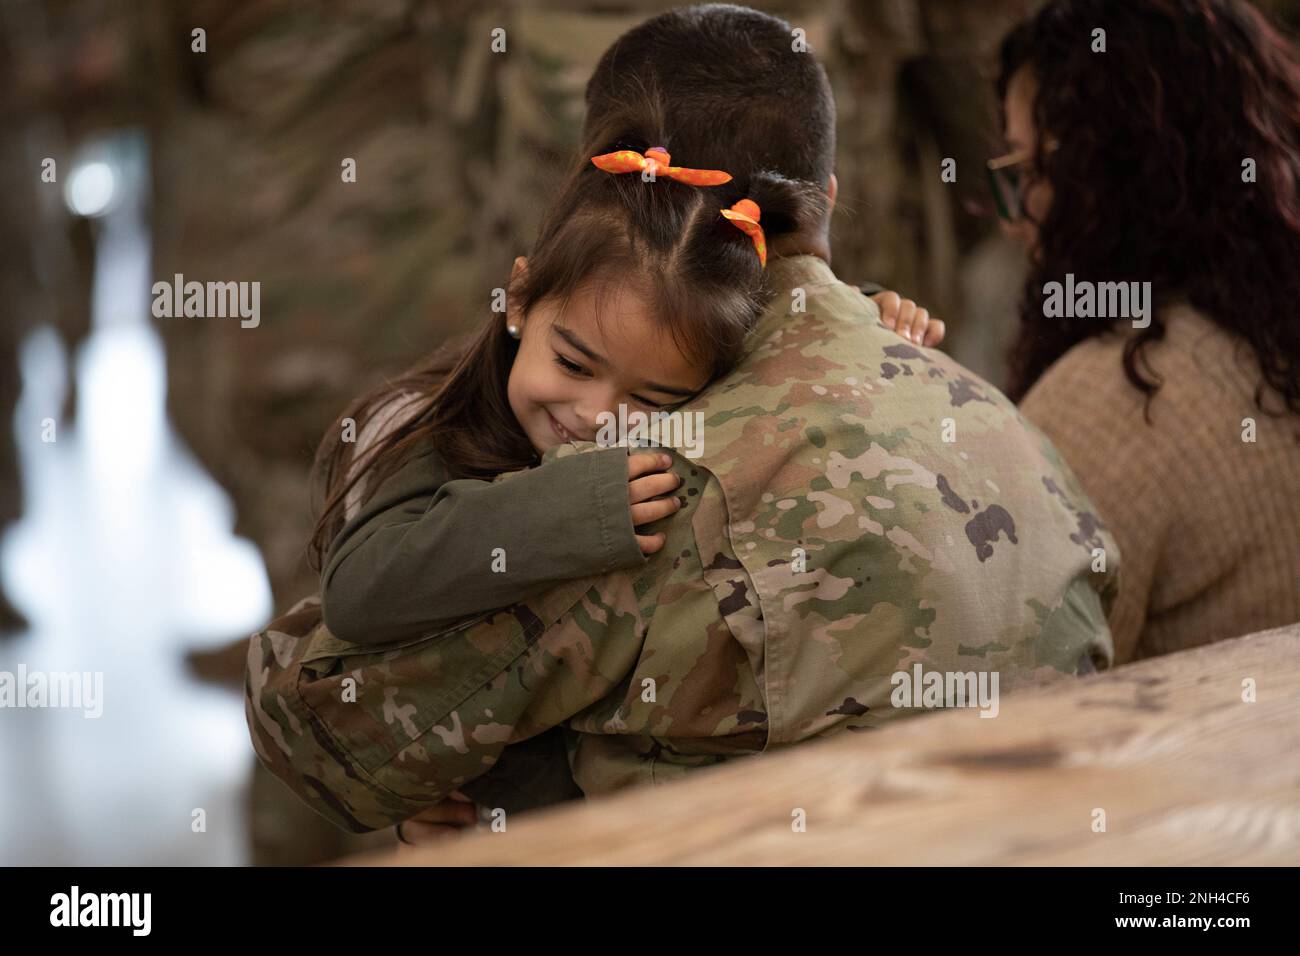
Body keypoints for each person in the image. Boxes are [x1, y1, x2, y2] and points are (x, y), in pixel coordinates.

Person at [246, 3, 1119, 835]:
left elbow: (321, 731)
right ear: (828, 193)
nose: (600, 420)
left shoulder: (662, 489)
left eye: (650, 400)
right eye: (579, 365)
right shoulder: (1004, 423)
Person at [990, 0, 1300, 663]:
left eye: (1022, 173)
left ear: (1093, 175)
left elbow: (1017, 709)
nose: (1014, 221)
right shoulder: (1272, 344)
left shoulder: (1108, 403)